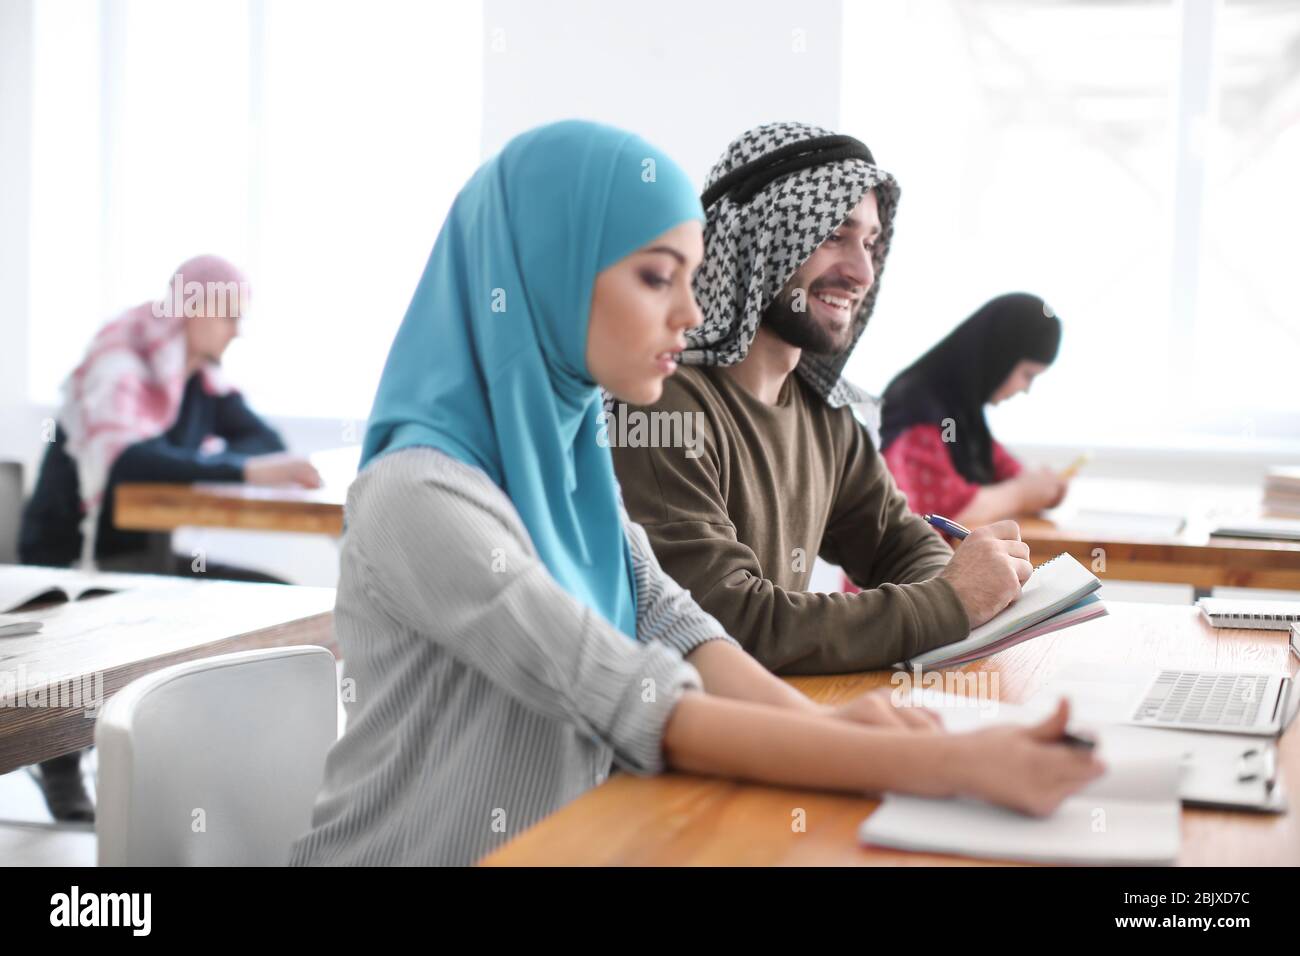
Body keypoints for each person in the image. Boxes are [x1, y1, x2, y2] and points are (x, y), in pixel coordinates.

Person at [288, 120, 1101, 867]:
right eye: (656, 278)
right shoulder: (419, 496)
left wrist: (823, 727)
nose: (691, 309)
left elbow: (680, 628)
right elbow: (633, 697)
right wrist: (942, 762)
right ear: (545, 274)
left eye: (690, 276)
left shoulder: (572, 472)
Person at [609, 122, 1030, 675]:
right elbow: (731, 623)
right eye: (834, 233)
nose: (861, 271)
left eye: (871, 243)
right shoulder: (661, 408)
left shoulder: (826, 416)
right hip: (682, 748)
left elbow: (901, 546)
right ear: (757, 240)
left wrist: (960, 583)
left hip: (780, 722)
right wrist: (951, 601)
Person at [18, 254, 322, 822]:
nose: (238, 330)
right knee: (97, 652)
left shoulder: (200, 379)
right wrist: (234, 468)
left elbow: (266, 442)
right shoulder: (122, 359)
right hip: (73, 561)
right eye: (231, 316)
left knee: (283, 601)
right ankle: (61, 766)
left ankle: (226, 767)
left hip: (144, 557)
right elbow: (126, 462)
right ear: (199, 309)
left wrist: (214, 458)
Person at [880, 293, 1066, 529]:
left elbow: (1007, 470)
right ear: (1002, 356)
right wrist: (1022, 493)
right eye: (1027, 375)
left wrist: (1046, 489)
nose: (1025, 389)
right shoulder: (916, 406)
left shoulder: (962, 413)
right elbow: (940, 517)